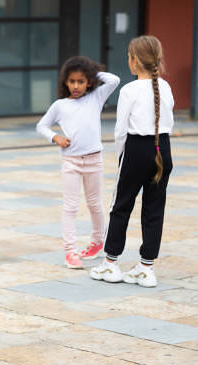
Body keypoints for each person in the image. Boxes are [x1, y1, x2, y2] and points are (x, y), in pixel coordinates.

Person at [90, 36, 174, 288]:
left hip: (136, 149)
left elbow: (120, 131)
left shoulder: (129, 90)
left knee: (121, 205)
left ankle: (110, 264)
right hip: (163, 148)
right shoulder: (166, 87)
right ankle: (146, 268)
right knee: (154, 208)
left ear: (134, 60)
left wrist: (121, 157)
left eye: (129, 56)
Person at [36, 56, 120, 269]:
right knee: (70, 207)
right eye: (71, 81)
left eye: (81, 81)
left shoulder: (96, 97)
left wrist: (91, 70)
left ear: (89, 82)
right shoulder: (60, 105)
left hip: (94, 160)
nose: (76, 86)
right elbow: (42, 126)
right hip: (71, 162)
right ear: (65, 82)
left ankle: (97, 242)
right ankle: (70, 251)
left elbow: (114, 80)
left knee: (94, 204)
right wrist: (55, 137)